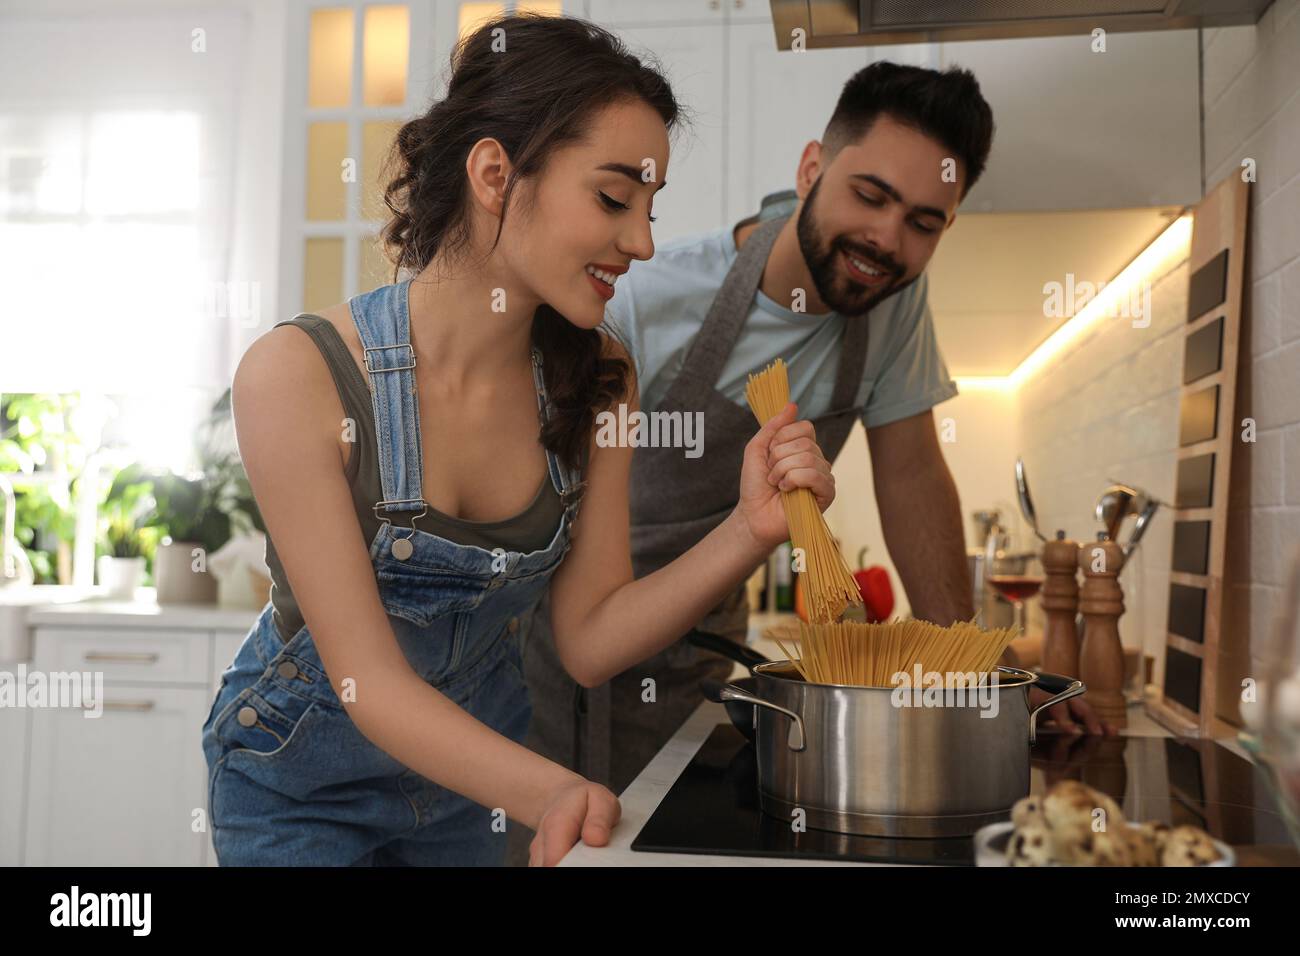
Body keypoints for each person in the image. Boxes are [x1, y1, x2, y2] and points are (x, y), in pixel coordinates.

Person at [200, 13, 839, 867]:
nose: (642, 241)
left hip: (474, 793)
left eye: (650, 207)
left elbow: (589, 639)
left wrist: (751, 529)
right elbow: (371, 684)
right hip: (300, 797)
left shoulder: (601, 376)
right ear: (495, 174)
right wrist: (550, 789)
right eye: (614, 198)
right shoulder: (297, 376)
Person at [514, 59, 1114, 853]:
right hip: (559, 666)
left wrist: (979, 675)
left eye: (924, 222)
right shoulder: (640, 301)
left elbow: (910, 473)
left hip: (694, 664)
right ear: (810, 169)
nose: (886, 241)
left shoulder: (893, 304)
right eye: (869, 196)